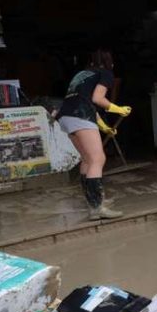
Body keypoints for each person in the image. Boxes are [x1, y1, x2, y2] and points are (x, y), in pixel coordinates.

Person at [55, 50, 131, 220]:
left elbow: (86, 101)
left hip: (66, 116)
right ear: (109, 62)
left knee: (87, 159)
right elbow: (97, 99)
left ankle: (94, 200)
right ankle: (97, 207)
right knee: (98, 159)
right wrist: (117, 108)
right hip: (80, 116)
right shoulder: (106, 73)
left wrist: (104, 127)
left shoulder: (82, 74)